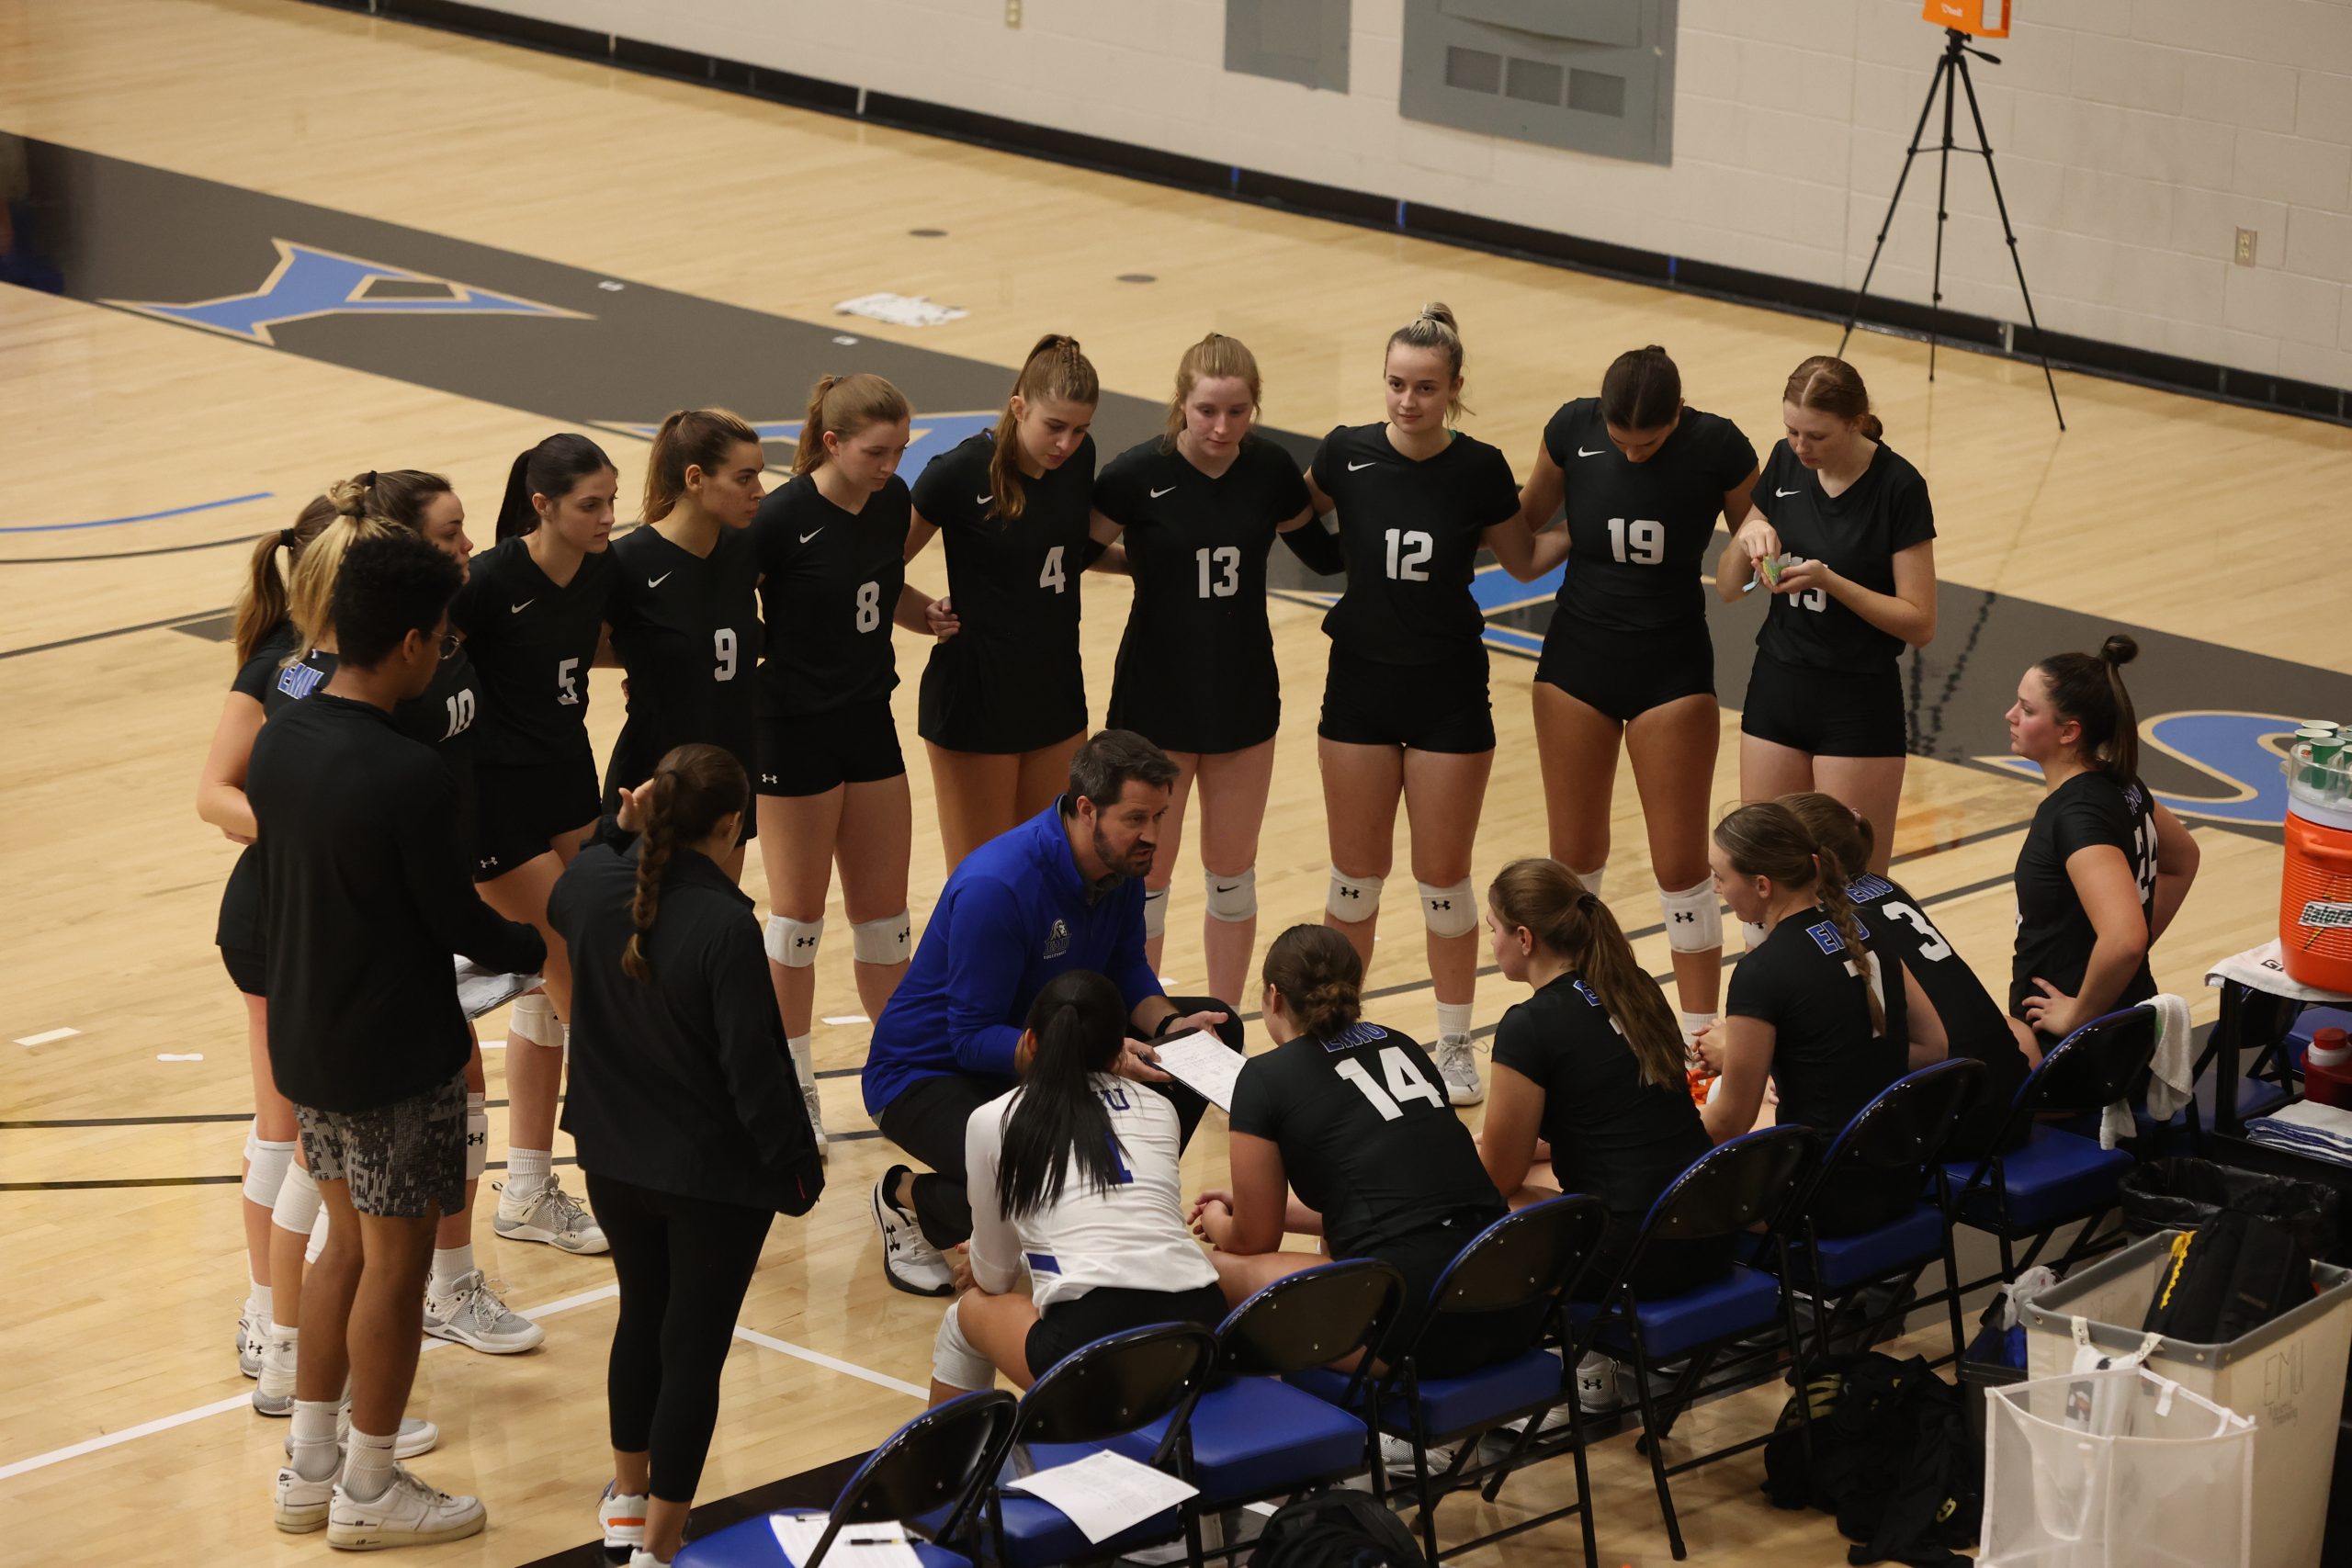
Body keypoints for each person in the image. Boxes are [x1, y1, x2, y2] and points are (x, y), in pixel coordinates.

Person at [254, 532, 545, 1549]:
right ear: (417, 643)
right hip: (390, 1054)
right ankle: (372, 1488)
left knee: (343, 1246)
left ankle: (313, 1469)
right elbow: (458, 925)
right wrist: (537, 944)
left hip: (307, 1037)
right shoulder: (409, 775)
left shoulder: (284, 734)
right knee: (397, 1263)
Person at [551, 743, 823, 1568]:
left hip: (612, 1161)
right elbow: (755, 1069)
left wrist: (615, 825)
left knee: (643, 1318)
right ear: (735, 823)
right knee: (693, 1350)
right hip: (709, 1180)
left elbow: (582, 871)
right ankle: (660, 1552)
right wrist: (796, 1172)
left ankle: (627, 1507)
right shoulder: (723, 925)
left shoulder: (592, 888)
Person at [861, 728, 1240, 1295]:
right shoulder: (998, 886)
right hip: (929, 1074)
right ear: (1087, 810)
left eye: (1160, 817)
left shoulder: (1124, 865)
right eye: (1137, 818)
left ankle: (1121, 1204)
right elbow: (969, 1039)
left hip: (1044, 1043)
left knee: (1210, 1033)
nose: (1152, 836)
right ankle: (907, 1198)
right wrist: (1098, 1057)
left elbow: (1126, 967)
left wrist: (1167, 1026)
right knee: (1043, 1172)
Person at [1304, 303, 1537, 1106]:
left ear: (1455, 389)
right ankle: (1338, 1038)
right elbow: (1298, 517)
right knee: (1354, 882)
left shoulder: (1478, 467)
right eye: (1398, 384)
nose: (1408, 401)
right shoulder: (1345, 452)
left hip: (1447, 691)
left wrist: (1616, 525)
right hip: (1360, 684)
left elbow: (1526, 557)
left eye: (1426, 388)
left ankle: (1454, 1042)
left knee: (1444, 880)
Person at [1514, 346, 1758, 1042]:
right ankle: (1579, 1027)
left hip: (1670, 667)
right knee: (1574, 860)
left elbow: (1752, 537)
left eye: (1648, 443)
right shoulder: (1571, 428)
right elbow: (1525, 517)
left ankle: (1700, 1034)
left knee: (1681, 865)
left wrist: (1759, 540)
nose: (1635, 454)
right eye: (1621, 443)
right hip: (1576, 662)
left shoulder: (1719, 445)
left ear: (1678, 414)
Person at [1086, 332, 1340, 1004]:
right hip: (1153, 701)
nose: (1222, 426)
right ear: (1181, 404)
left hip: (1242, 696)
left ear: (1255, 408)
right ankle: (1141, 1018)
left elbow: (1324, 555)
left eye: (1238, 411)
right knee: (1143, 877)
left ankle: (1224, 1022)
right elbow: (1076, 547)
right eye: (1206, 411)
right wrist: (1139, 565)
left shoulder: (1271, 470)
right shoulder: (1135, 474)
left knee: (1232, 873)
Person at [1191, 926, 1522, 1390]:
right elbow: (1385, 1198)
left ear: (1273, 997)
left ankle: (1368, 1427)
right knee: (1343, 1243)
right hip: (1508, 1297)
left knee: (1204, 1270)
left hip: (1414, 1328)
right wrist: (1266, 1209)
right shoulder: (1402, 1043)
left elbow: (1253, 1238)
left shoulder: (1264, 1078)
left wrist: (1220, 1218)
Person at [752, 374, 944, 1152]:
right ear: (831, 443)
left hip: (869, 721)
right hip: (793, 730)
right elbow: (731, 606)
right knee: (798, 922)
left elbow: (882, 586)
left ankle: (900, 1070)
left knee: (885, 922)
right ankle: (792, 1086)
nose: (891, 465)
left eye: (900, 450)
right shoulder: (780, 517)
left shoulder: (892, 503)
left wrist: (922, 611)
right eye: (876, 451)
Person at [1476, 858, 1731, 1407]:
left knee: (1481, 1212)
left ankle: (1575, 1367)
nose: (1489, 942)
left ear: (1524, 938)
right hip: (1708, 1227)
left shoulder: (1529, 1025)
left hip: (1637, 1257)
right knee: (1550, 1173)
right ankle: (1660, 1348)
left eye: (1492, 929)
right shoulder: (1634, 985)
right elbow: (1613, 1112)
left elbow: (1497, 1177)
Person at [451, 432, 621, 1256]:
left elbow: (597, 640)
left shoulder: (598, 570)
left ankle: (526, 1189)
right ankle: (632, 1159)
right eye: (590, 505)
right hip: (494, 802)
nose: (606, 518)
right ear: (542, 505)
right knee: (573, 965)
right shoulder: (486, 582)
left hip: (567, 777)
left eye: (612, 501)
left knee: (554, 976)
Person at [927, 970, 1226, 1405]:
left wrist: (986, 1257)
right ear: (1118, 1050)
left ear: (1029, 1041)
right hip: (1203, 1330)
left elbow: (993, 1279)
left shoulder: (994, 1120)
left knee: (966, 1316)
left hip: (1093, 1347)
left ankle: (949, 1470)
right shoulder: (1161, 1109)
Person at [198, 493, 335, 1381]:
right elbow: (216, 795)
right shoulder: (282, 670)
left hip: (334, 917)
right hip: (274, 917)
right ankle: (264, 1313)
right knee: (283, 1126)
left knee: (309, 1127)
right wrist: (302, 828)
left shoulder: (385, 659)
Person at [1716, 356, 1936, 905]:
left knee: (1851, 890)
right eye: (1790, 431)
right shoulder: (1786, 465)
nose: (1799, 446)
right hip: (1779, 685)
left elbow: (1920, 621)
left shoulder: (1899, 486)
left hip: (1856, 700)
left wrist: (1831, 581)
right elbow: (1726, 587)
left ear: (1857, 422)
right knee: (1760, 880)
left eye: (1816, 435)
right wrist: (1752, 533)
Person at [907, 334, 1101, 871]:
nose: (1066, 443)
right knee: (983, 883)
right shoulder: (958, 471)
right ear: (1019, 408)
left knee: (1051, 876)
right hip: (976, 699)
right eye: (1053, 426)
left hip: (1056, 694)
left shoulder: (1079, 460)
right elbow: (875, 569)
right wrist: (922, 613)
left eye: (1079, 429)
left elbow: (1066, 551)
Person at [1779, 790, 2030, 1156]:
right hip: (2009, 1098)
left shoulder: (1826, 926)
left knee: (1766, 1107)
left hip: (1955, 1118)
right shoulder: (1884, 887)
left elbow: (1847, 1052)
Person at [1697, 803, 1907, 1234]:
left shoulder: (1762, 972)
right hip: (1902, 1170)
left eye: (1720, 876)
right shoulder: (1867, 929)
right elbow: (1935, 1046)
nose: (1716, 888)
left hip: (1821, 1196)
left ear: (1761, 885)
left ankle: (1810, 1296)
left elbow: (1729, 1123)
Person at [2007, 636, 2199, 1048]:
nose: (2011, 716)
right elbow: (2183, 860)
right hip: (2123, 1015)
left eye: (2027, 709)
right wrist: (2125, 959)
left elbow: (2125, 939)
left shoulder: (2077, 815)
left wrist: (2080, 1013)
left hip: (2077, 1049)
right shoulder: (2119, 782)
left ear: (2069, 731)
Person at [603, 409, 765, 877]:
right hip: (655, 778)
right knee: (643, 938)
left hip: (730, 772)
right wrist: (649, 661)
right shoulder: (629, 562)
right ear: (696, 478)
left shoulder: (743, 548)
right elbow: (582, 648)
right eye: (745, 478)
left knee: (709, 927)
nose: (759, 491)